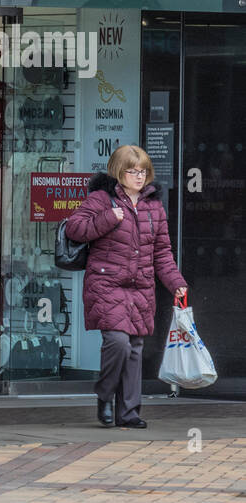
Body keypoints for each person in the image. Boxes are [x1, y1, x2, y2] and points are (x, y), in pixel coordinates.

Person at [64, 145, 187, 429]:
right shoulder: (101, 199)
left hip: (140, 287)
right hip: (106, 283)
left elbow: (162, 253)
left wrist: (177, 284)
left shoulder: (154, 207)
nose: (139, 176)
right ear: (119, 171)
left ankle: (128, 413)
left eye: (143, 171)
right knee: (118, 342)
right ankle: (104, 395)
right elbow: (74, 228)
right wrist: (109, 218)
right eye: (132, 171)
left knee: (134, 348)